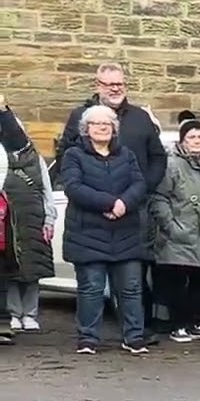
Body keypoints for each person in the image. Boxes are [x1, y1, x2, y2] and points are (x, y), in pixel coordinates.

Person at [60, 105, 150, 355]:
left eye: (107, 124)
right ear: (86, 129)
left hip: (126, 233)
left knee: (131, 289)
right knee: (91, 289)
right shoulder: (74, 156)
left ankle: (134, 337)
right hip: (87, 235)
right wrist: (110, 203)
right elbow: (74, 187)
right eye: (96, 124)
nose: (102, 128)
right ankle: (88, 338)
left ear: (114, 129)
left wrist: (124, 203)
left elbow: (139, 183)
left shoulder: (127, 155)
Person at [150, 111, 200, 344]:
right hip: (179, 235)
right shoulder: (172, 165)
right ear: (183, 140)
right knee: (178, 284)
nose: (196, 141)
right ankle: (179, 324)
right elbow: (160, 198)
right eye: (192, 137)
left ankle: (197, 322)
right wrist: (171, 226)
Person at [0, 99, 56, 334]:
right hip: (10, 220)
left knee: (34, 269)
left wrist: (49, 219)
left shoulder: (36, 159)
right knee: (12, 270)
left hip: (34, 218)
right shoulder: (2, 158)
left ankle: (30, 313)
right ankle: (14, 313)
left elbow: (47, 189)